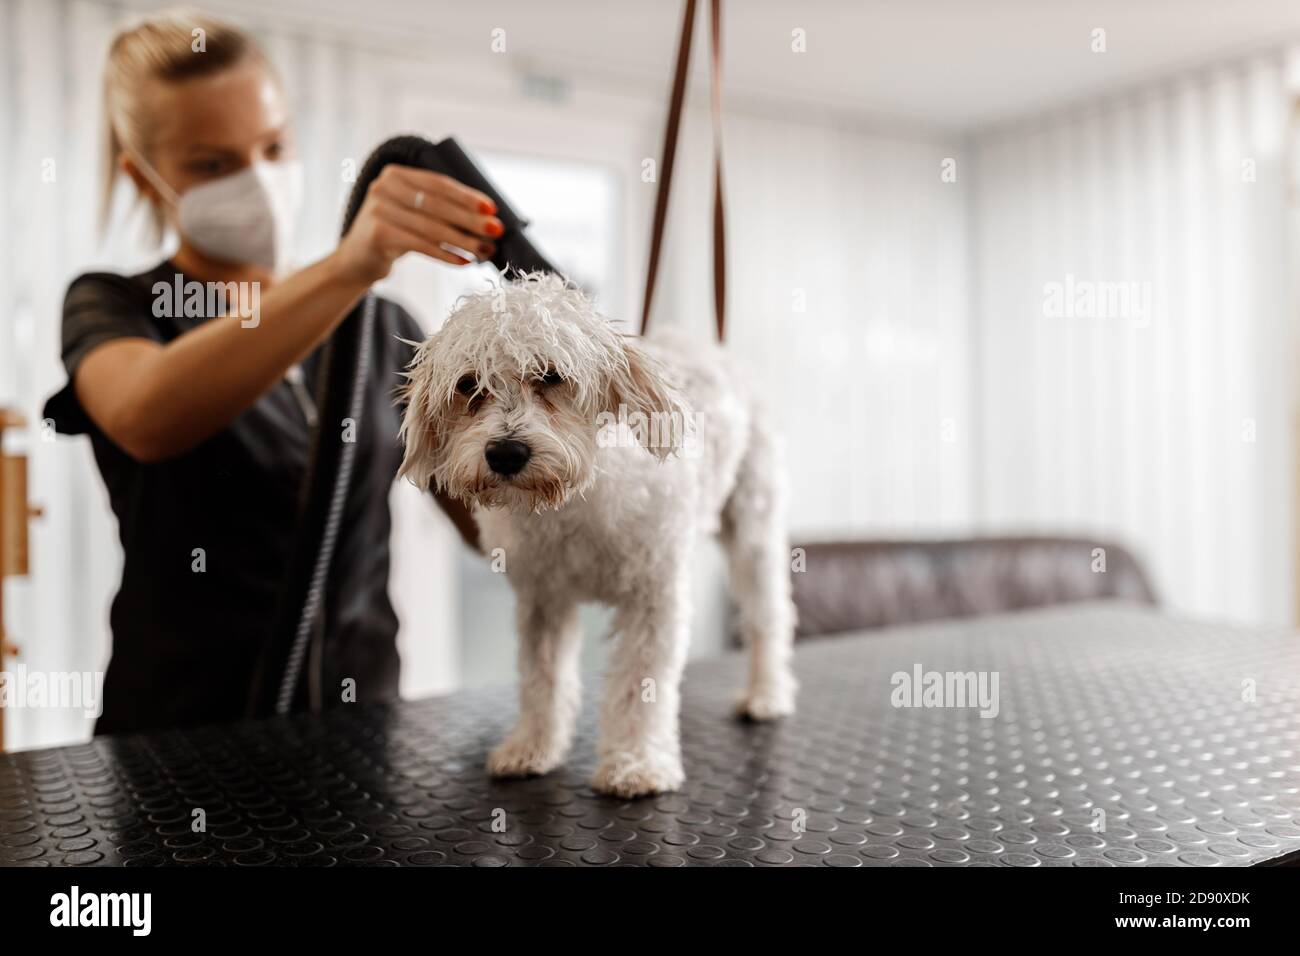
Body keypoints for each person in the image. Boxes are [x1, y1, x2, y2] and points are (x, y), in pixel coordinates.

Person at [42, 11, 493, 735]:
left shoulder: (384, 329)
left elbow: (492, 521)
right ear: (144, 174)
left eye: (274, 147)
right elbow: (145, 415)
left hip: (361, 740)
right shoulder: (117, 304)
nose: (257, 180)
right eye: (212, 165)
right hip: (177, 746)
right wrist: (350, 265)